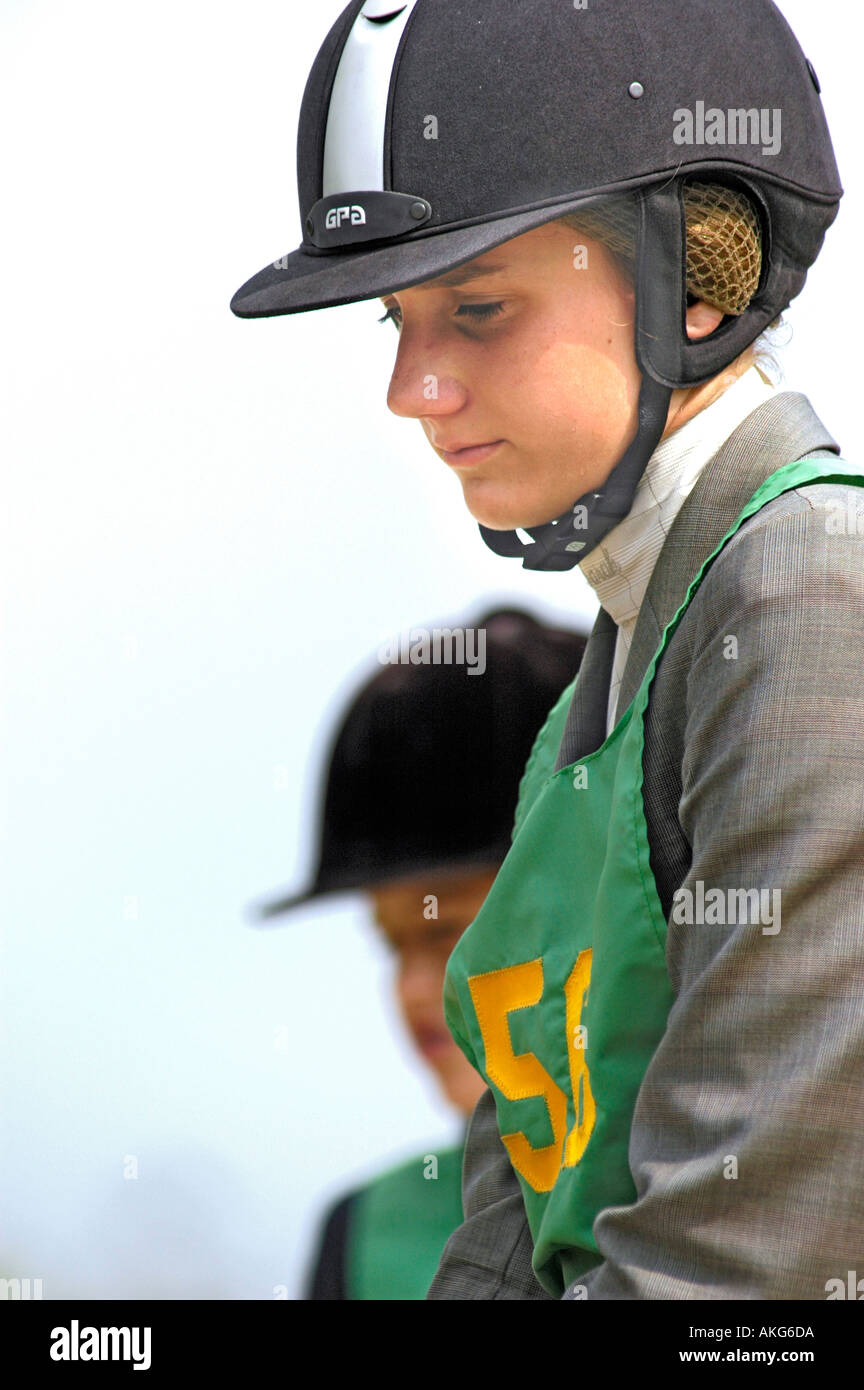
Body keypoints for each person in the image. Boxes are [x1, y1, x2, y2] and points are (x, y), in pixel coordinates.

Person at [230, 1, 864, 1300]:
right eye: (395, 323)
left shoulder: (808, 597)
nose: (411, 391)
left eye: (476, 307)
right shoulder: (617, 663)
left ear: (701, 276)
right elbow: (513, 1216)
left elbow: (740, 1272)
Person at [252, 608, 586, 1299]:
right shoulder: (370, 1236)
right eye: (391, 944)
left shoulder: (749, 1184)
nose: (410, 989)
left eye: (446, 931)